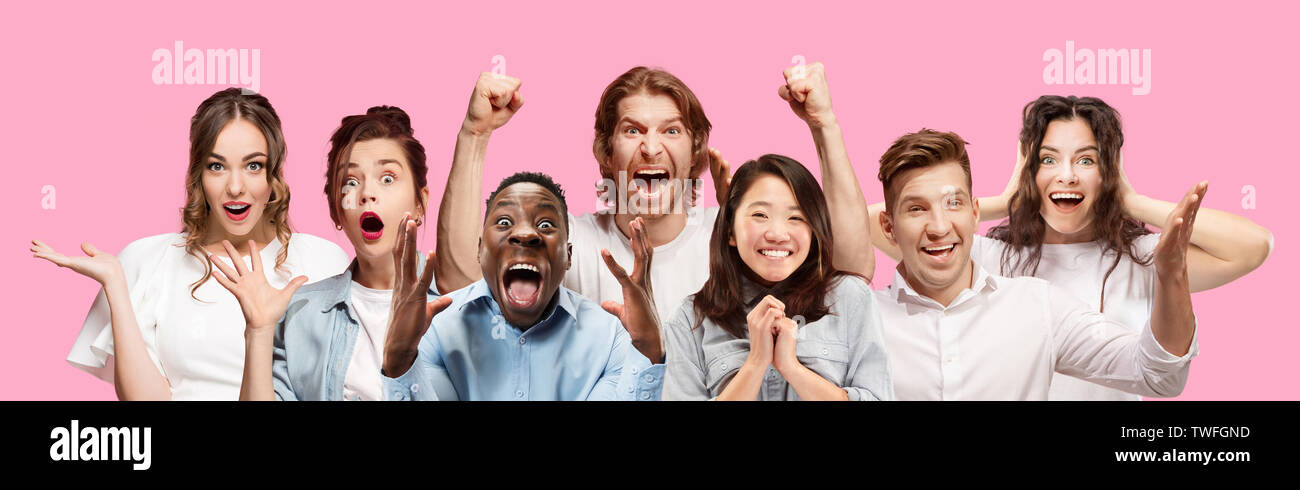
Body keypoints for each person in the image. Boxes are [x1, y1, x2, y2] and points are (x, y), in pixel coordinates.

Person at [868, 96, 1271, 401]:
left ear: (1107, 171)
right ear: (1031, 171)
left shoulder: (1144, 258)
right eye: (1048, 159)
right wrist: (1003, 199)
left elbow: (1253, 246)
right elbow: (870, 223)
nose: (1066, 176)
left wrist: (1130, 199)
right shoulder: (989, 260)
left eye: (1086, 161)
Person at [434, 63, 875, 330]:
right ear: (605, 152)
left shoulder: (732, 237)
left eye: (671, 130)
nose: (650, 147)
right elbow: (461, 284)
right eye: (632, 130)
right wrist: (474, 134)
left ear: (695, 151)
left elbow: (853, 274)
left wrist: (824, 124)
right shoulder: (574, 245)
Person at [33, 88, 348, 400]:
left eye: (253, 165)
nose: (235, 187)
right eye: (217, 166)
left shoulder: (323, 262)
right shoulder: (148, 260)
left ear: (273, 173)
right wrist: (117, 285)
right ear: (199, 174)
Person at [208, 106, 442, 401]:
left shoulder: (457, 302)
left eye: (387, 178)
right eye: (350, 182)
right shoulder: (301, 315)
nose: (367, 193)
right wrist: (259, 331)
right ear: (336, 211)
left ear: (420, 202)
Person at [381, 172, 665, 401]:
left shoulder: (608, 336)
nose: (526, 234)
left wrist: (649, 349)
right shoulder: (437, 330)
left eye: (545, 224)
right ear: (480, 251)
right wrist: (399, 359)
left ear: (567, 256)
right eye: (504, 222)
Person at [662, 155, 892, 401]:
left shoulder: (851, 298)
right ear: (730, 230)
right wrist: (756, 363)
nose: (778, 234)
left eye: (796, 218)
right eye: (760, 215)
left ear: (814, 230)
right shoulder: (690, 320)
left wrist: (792, 367)